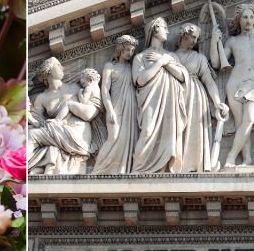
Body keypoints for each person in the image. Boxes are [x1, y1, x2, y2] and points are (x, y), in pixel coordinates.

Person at [211, 3, 254, 166]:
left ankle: (231, 156)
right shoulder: (233, 41)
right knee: (240, 122)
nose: (248, 21)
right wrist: (213, 41)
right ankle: (246, 159)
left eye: (251, 17)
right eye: (245, 17)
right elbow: (217, 63)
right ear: (238, 20)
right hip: (236, 82)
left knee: (249, 118)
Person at [132, 17, 189, 173]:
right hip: (150, 100)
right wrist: (159, 63)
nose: (168, 31)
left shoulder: (171, 57)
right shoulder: (140, 57)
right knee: (148, 131)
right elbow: (140, 80)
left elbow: (183, 76)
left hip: (170, 103)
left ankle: (167, 167)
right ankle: (139, 169)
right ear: (155, 29)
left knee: (171, 135)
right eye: (164, 27)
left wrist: (165, 61)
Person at [27, 58, 103, 174]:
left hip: (78, 133)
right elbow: (37, 121)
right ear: (48, 70)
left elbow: (90, 112)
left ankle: (19, 171)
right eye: (58, 65)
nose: (62, 67)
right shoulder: (41, 98)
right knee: (30, 131)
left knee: (31, 135)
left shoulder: (75, 87)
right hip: (57, 132)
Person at [171, 23, 227, 172]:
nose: (195, 41)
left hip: (195, 97)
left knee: (195, 129)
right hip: (175, 97)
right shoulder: (170, 56)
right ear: (184, 35)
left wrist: (217, 102)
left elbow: (209, 81)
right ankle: (175, 163)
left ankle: (194, 164)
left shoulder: (200, 58)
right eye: (193, 37)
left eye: (197, 38)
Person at [91, 35, 140, 175]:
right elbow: (105, 90)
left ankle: (124, 169)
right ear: (120, 49)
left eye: (132, 50)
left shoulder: (133, 67)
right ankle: (98, 169)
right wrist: (110, 109)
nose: (130, 53)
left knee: (130, 138)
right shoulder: (109, 67)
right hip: (115, 106)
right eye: (127, 50)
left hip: (131, 106)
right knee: (113, 137)